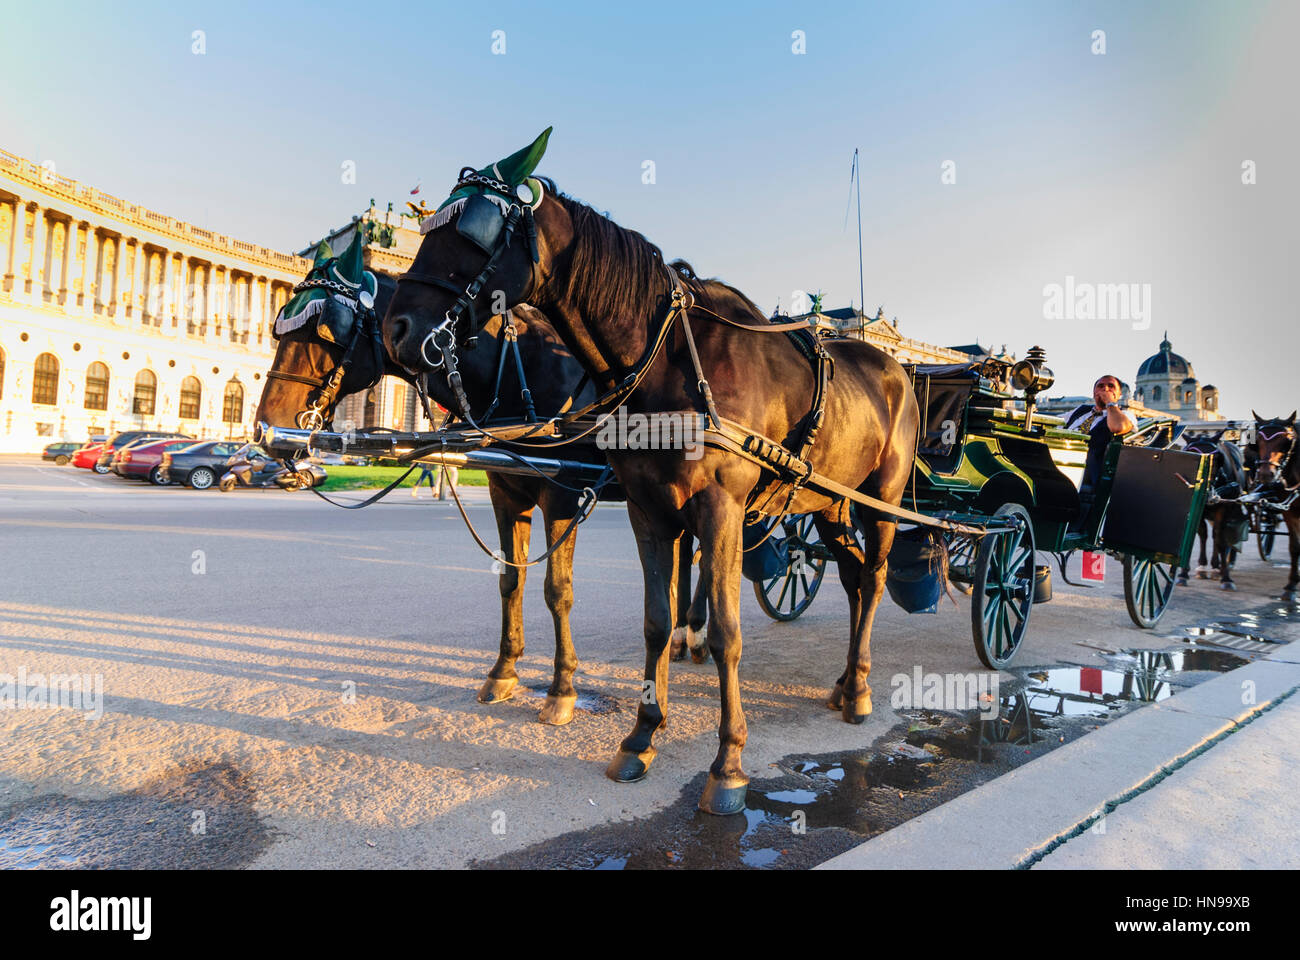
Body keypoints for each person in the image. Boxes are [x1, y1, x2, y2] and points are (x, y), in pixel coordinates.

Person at [1065, 374, 1135, 490]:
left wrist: (1110, 402)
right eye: (1100, 386)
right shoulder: (1081, 410)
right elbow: (1056, 421)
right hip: (1060, 454)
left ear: (1119, 394)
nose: (1105, 389)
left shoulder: (1124, 415)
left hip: (1086, 469)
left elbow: (1118, 427)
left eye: (1111, 386)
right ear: (1094, 393)